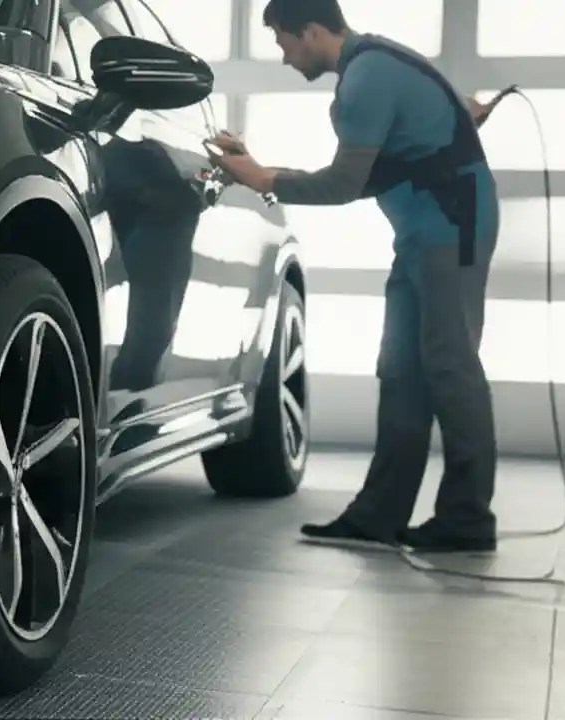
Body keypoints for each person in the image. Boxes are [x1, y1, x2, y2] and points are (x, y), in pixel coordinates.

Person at [208, 0, 504, 552]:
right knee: (400, 369)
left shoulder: (367, 76)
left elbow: (343, 184)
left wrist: (263, 177)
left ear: (313, 30)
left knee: (449, 363)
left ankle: (468, 519)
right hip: (424, 230)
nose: (282, 56)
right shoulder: (380, 61)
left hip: (451, 225)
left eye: (282, 41)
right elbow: (383, 168)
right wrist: (261, 170)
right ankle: (378, 515)